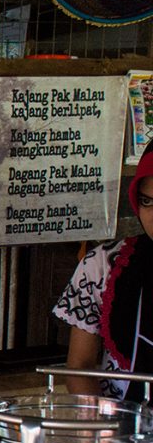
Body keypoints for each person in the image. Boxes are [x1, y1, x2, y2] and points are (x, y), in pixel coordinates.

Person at [53, 147, 153, 399]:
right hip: (123, 428)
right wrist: (105, 431)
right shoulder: (103, 266)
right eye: (147, 201)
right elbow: (79, 368)